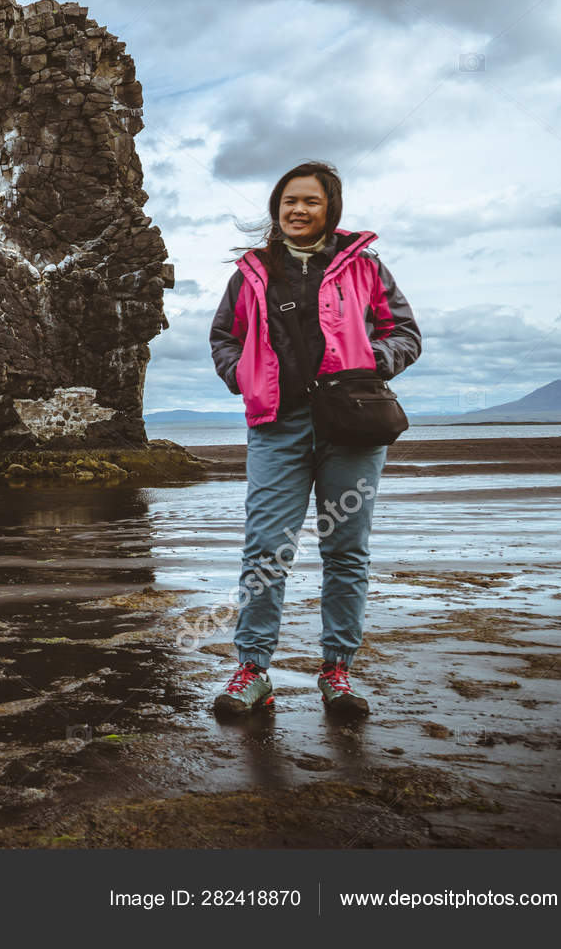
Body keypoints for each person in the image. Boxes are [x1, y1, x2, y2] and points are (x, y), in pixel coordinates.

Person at [207, 162, 421, 719]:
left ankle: (337, 672)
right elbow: (224, 338)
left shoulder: (365, 268)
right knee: (266, 551)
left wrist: (369, 362)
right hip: (276, 426)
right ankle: (253, 671)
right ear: (276, 210)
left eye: (311, 201)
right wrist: (243, 375)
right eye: (288, 201)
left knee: (345, 550)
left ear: (331, 209)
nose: (298, 210)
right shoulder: (251, 273)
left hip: (351, 424)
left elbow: (405, 332)